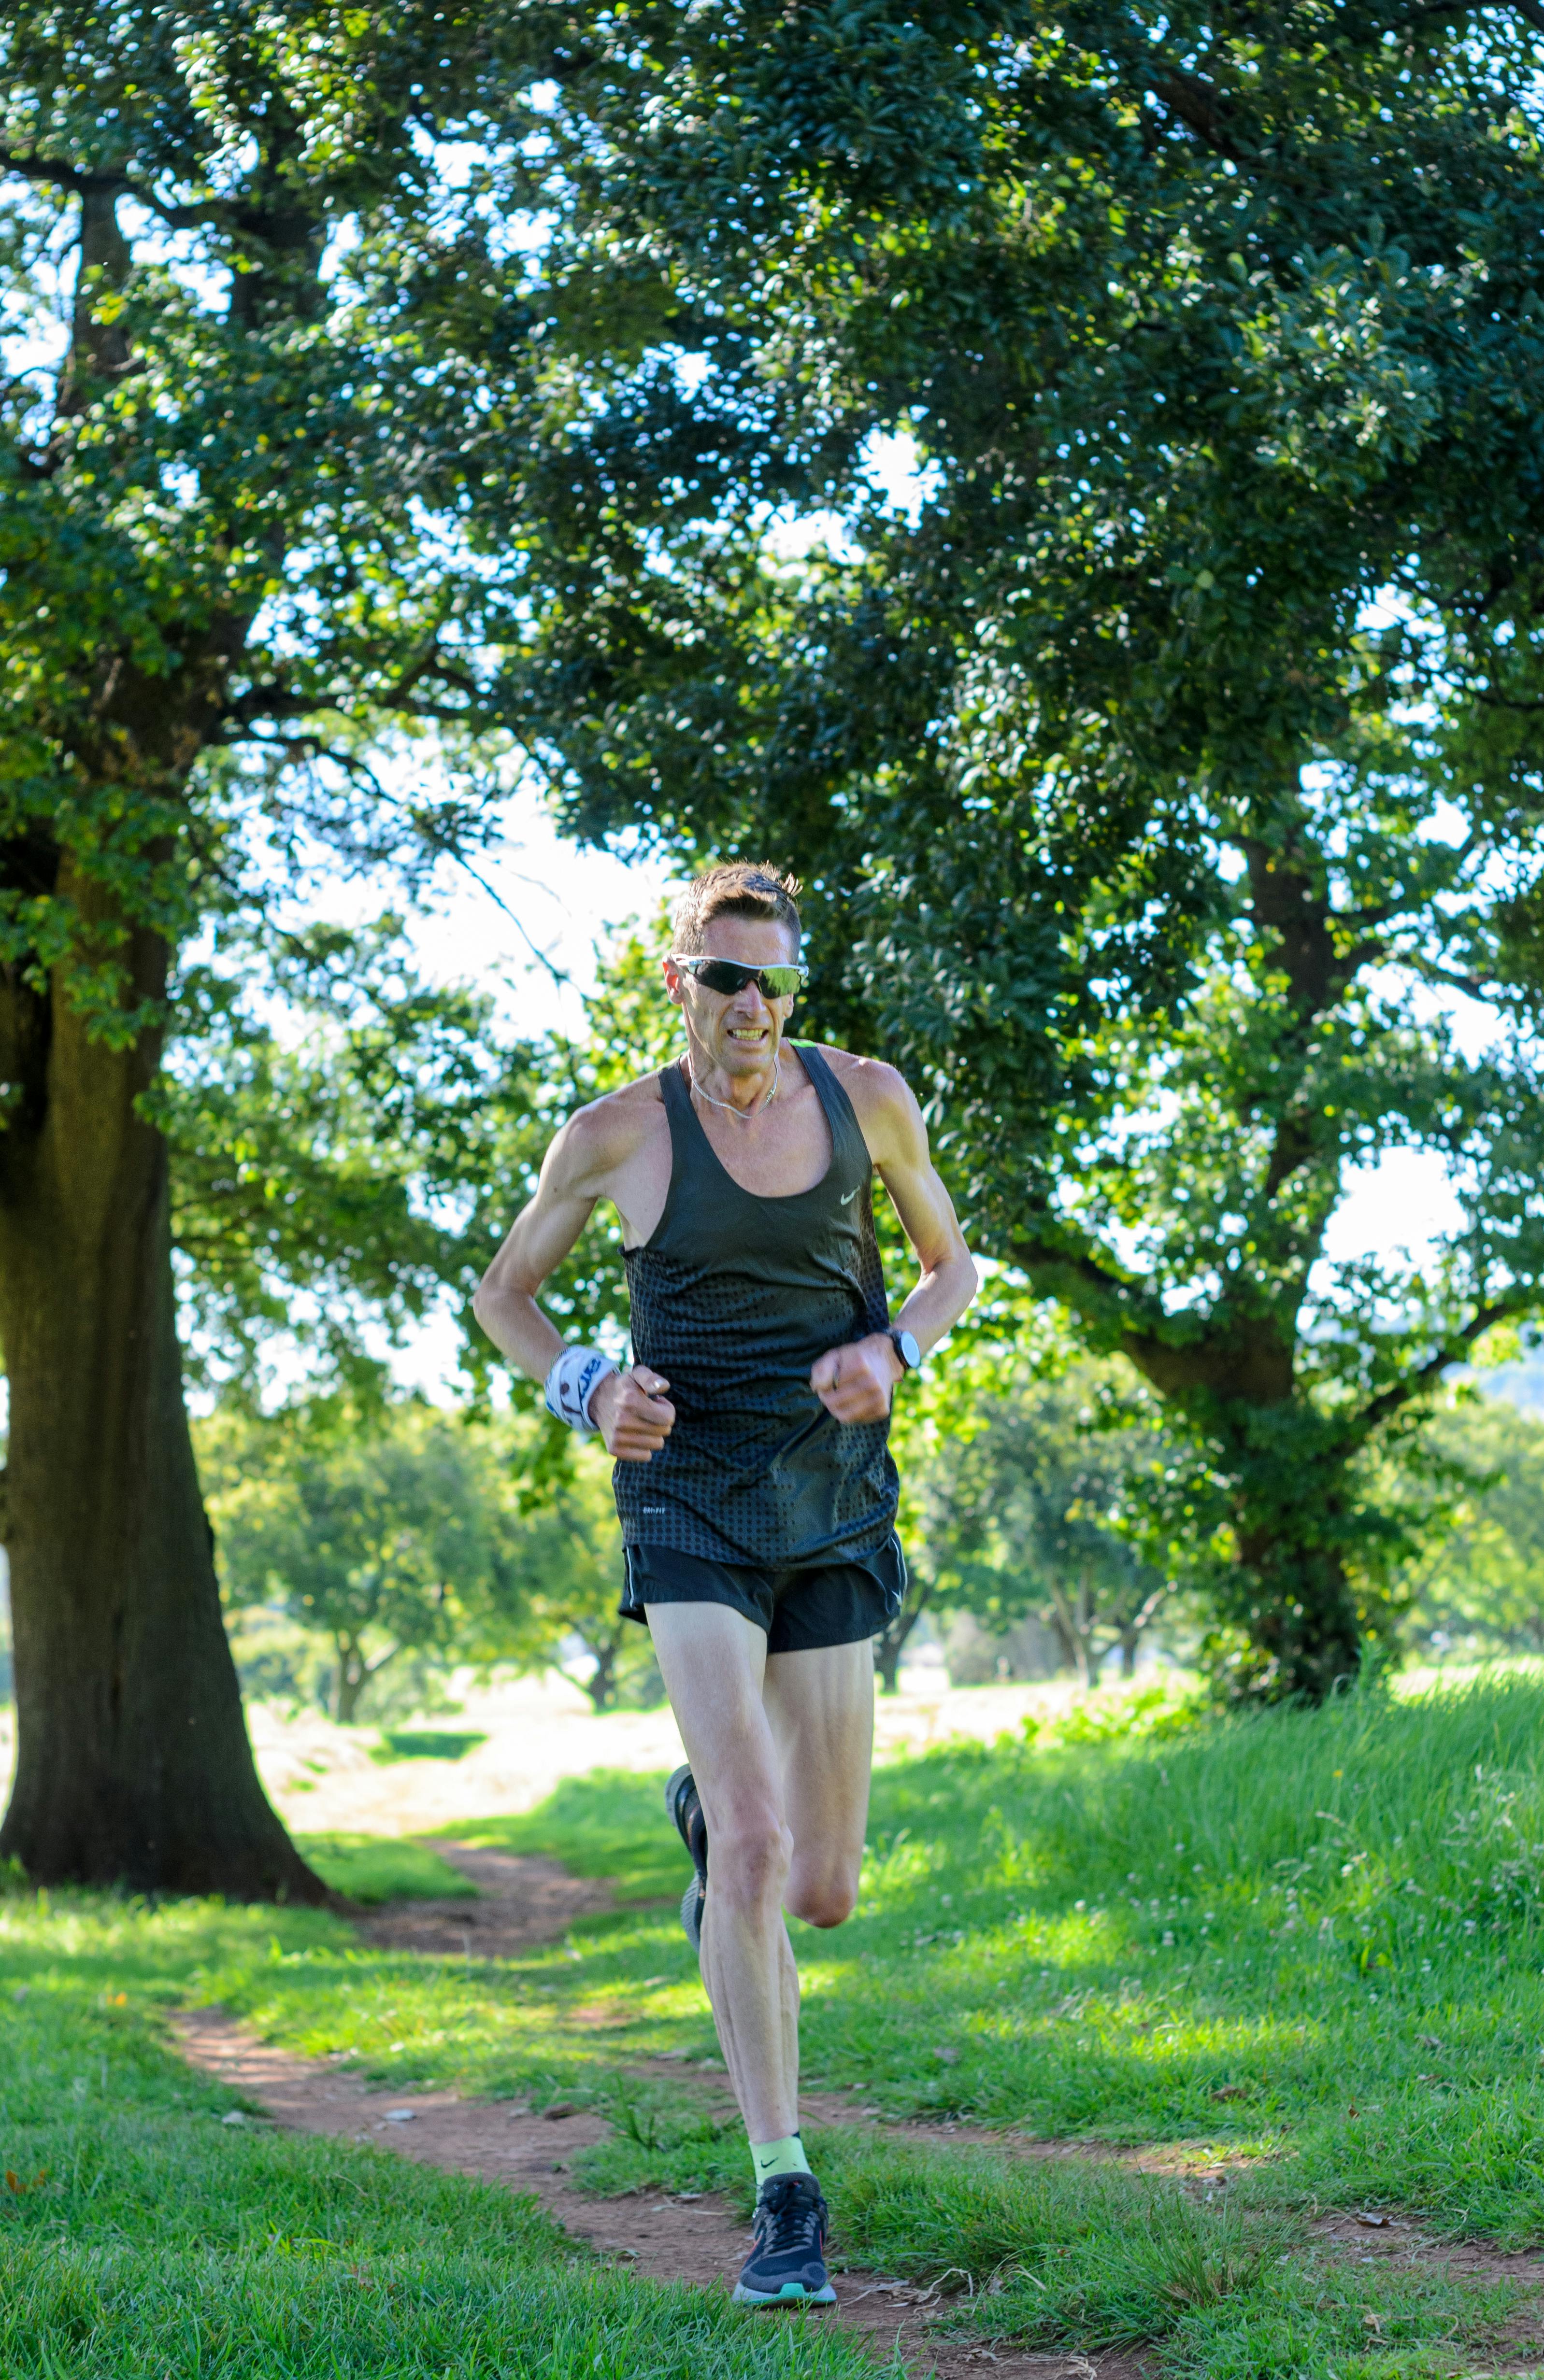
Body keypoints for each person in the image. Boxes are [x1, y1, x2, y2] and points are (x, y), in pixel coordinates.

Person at [473, 861, 977, 2306]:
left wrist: (894, 1351)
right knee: (757, 1857)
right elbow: (505, 1293)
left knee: (818, 1887)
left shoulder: (868, 1096)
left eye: (771, 980)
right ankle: (784, 2193)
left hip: (831, 1506)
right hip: (688, 1502)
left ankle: (713, 1808)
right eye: (722, 976)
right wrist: (585, 1387)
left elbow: (952, 1270)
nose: (749, 1005)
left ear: (791, 989)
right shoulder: (615, 1132)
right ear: (677, 977)